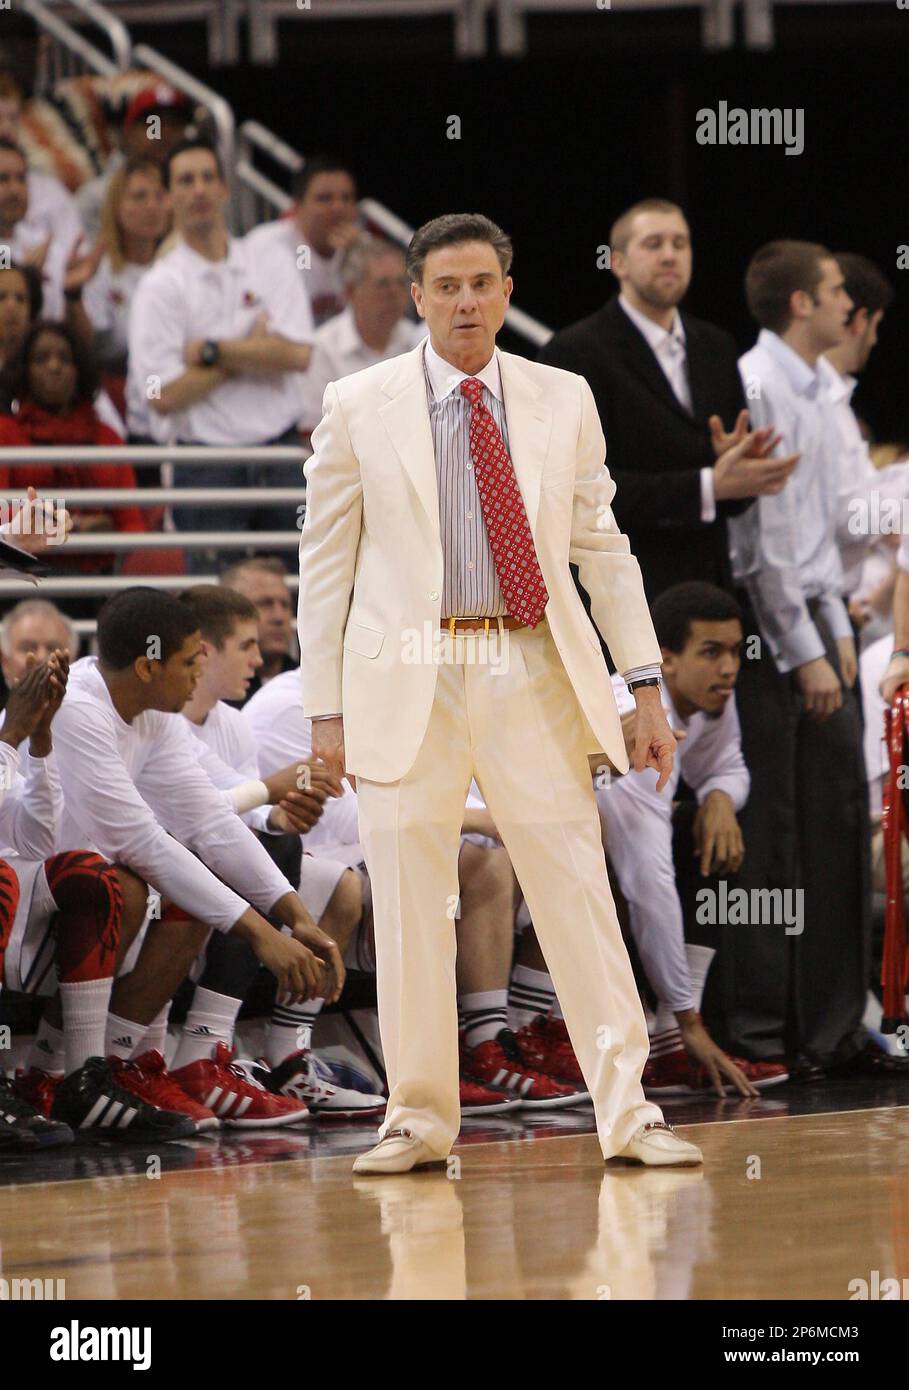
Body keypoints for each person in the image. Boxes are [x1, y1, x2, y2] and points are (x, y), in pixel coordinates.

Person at [299, 211, 705, 1174]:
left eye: (482, 282)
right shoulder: (357, 402)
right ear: (416, 297)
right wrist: (325, 711)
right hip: (409, 671)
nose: (466, 301)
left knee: (575, 894)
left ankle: (629, 1115)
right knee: (406, 902)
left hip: (531, 668)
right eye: (446, 286)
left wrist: (644, 687)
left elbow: (602, 548)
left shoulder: (562, 396)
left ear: (507, 291)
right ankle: (416, 1120)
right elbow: (323, 566)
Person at [41, 588, 346, 1128]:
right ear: (144, 667)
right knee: (127, 885)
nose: (197, 672)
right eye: (187, 662)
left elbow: (210, 821)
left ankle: (117, 1066)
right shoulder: (78, 709)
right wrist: (262, 933)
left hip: (84, 885)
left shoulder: (154, 714)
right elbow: (140, 840)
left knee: (183, 888)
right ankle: (64, 1073)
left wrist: (295, 916)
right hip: (32, 884)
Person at [245, 662, 583, 1111]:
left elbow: (439, 786)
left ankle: (493, 1040)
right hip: (312, 862)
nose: (254, 660)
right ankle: (407, 1062)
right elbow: (352, 817)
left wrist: (497, 820)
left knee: (504, 853)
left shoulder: (388, 690)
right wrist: (478, 819)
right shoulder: (292, 705)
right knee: (430, 855)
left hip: (361, 857)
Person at [726, 240, 874, 1075]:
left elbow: (827, 537)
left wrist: (841, 635)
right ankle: (763, 1031)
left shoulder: (820, 391)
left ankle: (831, 1028)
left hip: (822, 624)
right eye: (830, 291)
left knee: (835, 831)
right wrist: (804, 650)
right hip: (774, 635)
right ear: (797, 304)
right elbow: (764, 541)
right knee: (774, 836)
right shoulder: (760, 383)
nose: (843, 303)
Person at [538, 198, 797, 600]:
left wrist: (738, 472)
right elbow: (578, 489)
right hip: (624, 595)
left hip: (710, 587)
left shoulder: (716, 345)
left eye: (680, 243)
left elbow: (729, 498)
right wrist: (709, 485)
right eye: (654, 244)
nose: (670, 255)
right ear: (617, 262)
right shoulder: (574, 353)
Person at [597, 581, 788, 1096]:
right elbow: (650, 886)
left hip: (603, 851)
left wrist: (719, 799)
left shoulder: (711, 701)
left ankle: (670, 1038)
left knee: (721, 834)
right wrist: (689, 1021)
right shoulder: (635, 721)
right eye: (712, 652)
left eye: (734, 650)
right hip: (505, 846)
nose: (730, 667)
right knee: (648, 870)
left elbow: (730, 766)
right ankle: (673, 1034)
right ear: (665, 660)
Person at [127, 139, 315, 568]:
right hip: (205, 462)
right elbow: (162, 394)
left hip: (280, 454)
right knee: (212, 609)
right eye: (186, 181)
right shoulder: (159, 286)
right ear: (169, 197)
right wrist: (251, 347)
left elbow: (298, 354)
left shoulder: (270, 260)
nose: (198, 190)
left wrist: (212, 351)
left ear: (225, 189)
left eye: (208, 178)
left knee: (304, 603)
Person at [0, 320, 144, 575]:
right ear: (25, 370)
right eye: (41, 359)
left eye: (65, 359)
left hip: (96, 580)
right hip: (22, 578)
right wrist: (73, 526)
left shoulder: (107, 438)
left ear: (80, 370)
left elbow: (131, 526)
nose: (54, 366)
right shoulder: (5, 433)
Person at [821, 253, 908, 620]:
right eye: (876, 325)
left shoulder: (836, 400)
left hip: (833, 604)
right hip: (818, 603)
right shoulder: (816, 400)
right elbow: (841, 519)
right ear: (859, 320)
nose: (874, 340)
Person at [299, 237, 426, 435]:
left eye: (400, 283)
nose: (394, 293)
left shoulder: (420, 342)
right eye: (383, 284)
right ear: (351, 292)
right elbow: (313, 432)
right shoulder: (322, 348)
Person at [245, 156, 361, 329]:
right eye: (325, 198)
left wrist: (360, 260)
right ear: (297, 207)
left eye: (346, 198)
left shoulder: (362, 247)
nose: (338, 208)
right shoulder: (268, 244)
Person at [76, 82, 194, 242]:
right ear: (129, 133)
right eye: (154, 124)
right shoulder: (96, 198)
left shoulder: (196, 189)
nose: (163, 133)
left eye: (175, 125)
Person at [0, 74, 84, 258]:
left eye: (13, 118)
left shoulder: (49, 190)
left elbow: (77, 251)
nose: (6, 129)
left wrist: (59, 271)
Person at [220, 556, 296, 700]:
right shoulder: (212, 697)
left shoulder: (310, 684)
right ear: (229, 613)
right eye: (265, 604)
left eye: (285, 605)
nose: (279, 617)